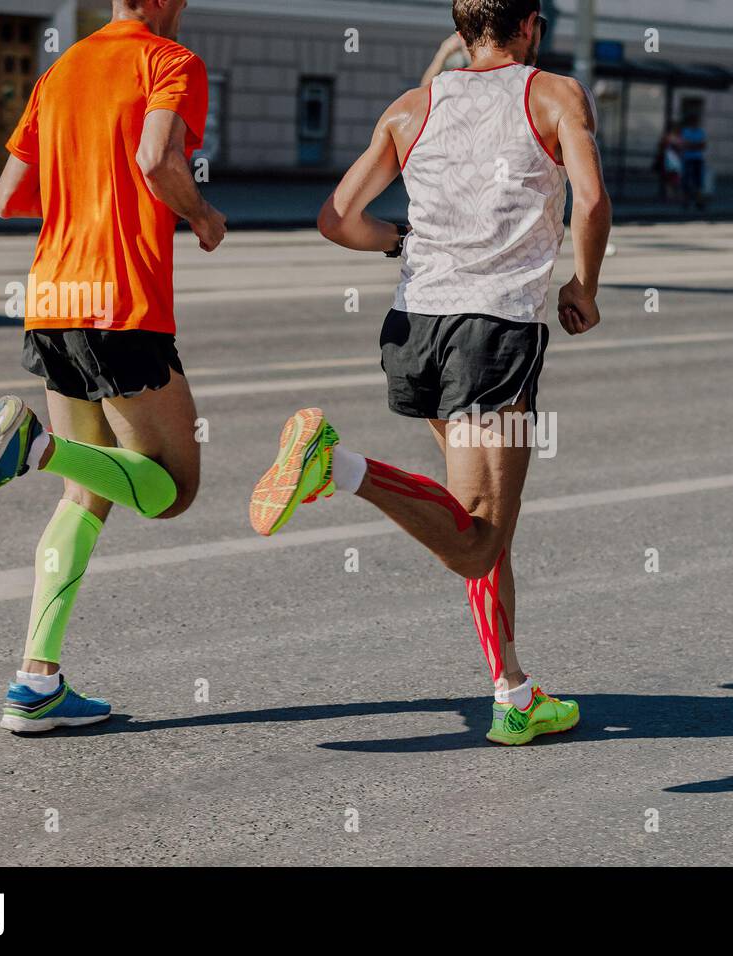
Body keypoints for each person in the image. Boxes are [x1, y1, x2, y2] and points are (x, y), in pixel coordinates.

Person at [248, 0, 611, 746]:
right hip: (495, 330)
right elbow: (593, 200)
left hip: (416, 328)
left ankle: (512, 693)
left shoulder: (411, 108)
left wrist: (402, 241)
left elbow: (337, 218)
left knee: (476, 526)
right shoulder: (553, 94)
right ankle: (337, 466)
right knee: (479, 538)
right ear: (531, 24)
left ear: (462, 27)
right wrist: (584, 287)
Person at [0, 0, 226, 733]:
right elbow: (156, 158)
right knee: (171, 491)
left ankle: (36, 685)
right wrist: (202, 215)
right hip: (121, 303)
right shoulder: (170, 62)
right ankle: (29, 445)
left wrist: (78, 185)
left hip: (52, 297)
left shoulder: (62, 70)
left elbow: (8, 198)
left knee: (84, 494)